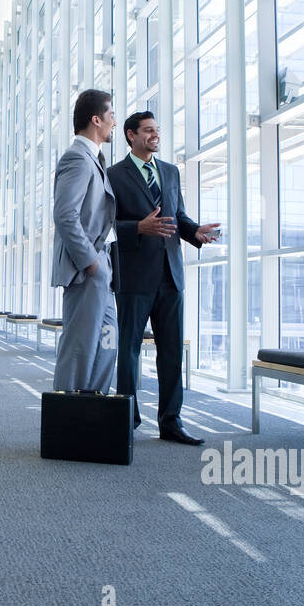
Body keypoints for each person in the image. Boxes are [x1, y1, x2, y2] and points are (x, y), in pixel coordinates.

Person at [108, 110, 220, 443]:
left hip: (171, 275)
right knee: (128, 349)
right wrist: (136, 228)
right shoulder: (114, 175)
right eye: (148, 131)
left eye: (158, 130)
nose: (155, 135)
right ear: (131, 135)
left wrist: (194, 231)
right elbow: (104, 225)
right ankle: (127, 417)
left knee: (171, 350)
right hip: (134, 275)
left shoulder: (169, 172)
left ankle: (171, 420)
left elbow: (177, 216)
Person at [51, 88, 118, 393]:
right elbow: (65, 215)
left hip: (100, 268)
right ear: (96, 120)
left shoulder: (94, 159)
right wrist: (91, 262)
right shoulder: (77, 158)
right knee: (80, 348)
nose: (114, 122)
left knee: (107, 343)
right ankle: (69, 423)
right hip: (86, 270)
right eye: (111, 115)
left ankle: (94, 416)